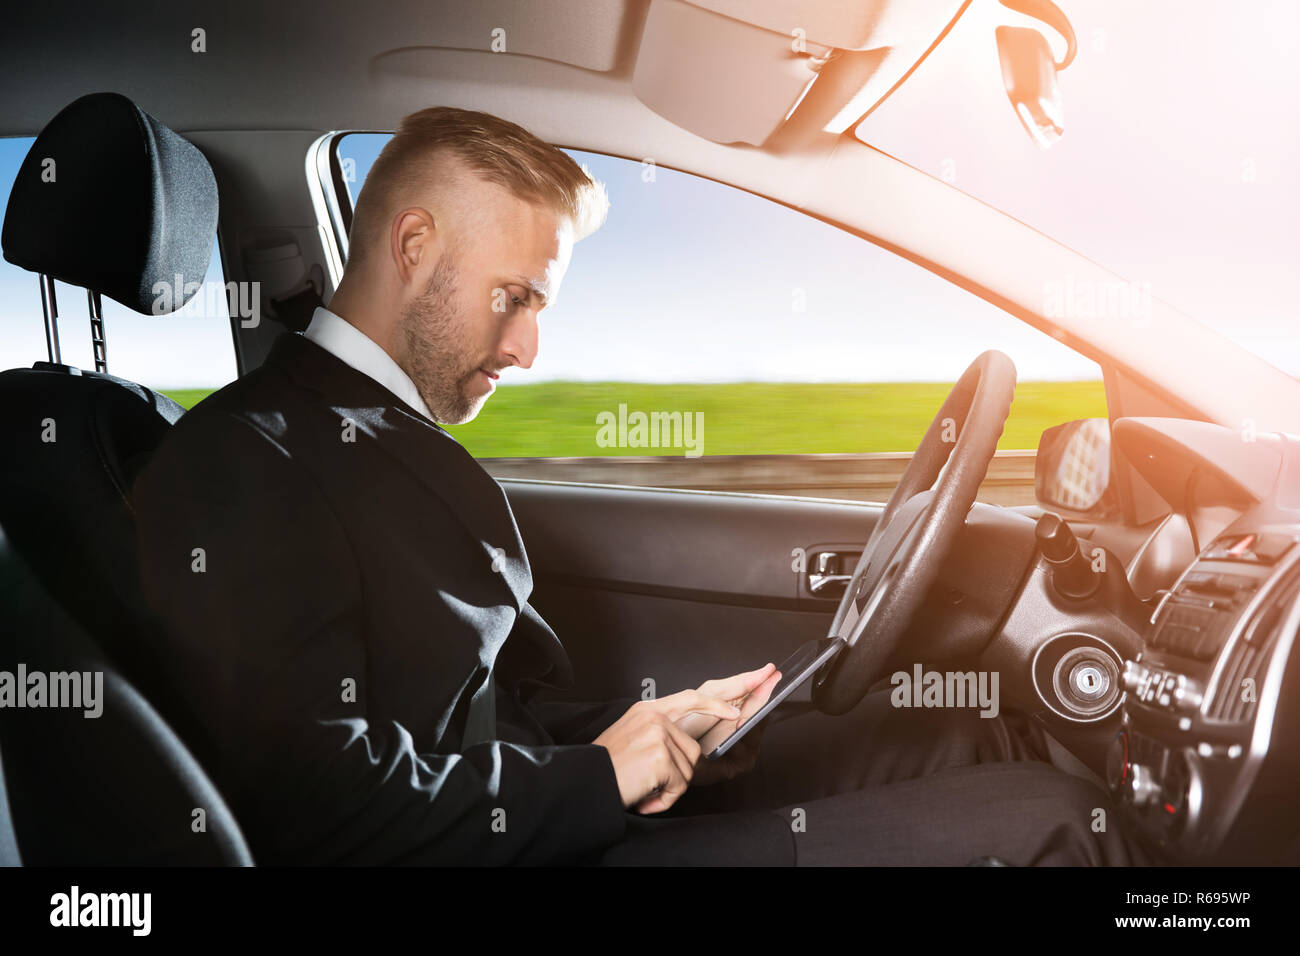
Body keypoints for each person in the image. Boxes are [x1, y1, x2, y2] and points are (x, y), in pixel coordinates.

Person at [132, 106, 1142, 866]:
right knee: (1058, 823)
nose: (528, 348)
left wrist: (662, 724)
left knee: (969, 732)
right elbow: (315, 809)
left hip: (531, 816)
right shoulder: (244, 458)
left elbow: (475, 719)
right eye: (515, 297)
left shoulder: (367, 429)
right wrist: (600, 777)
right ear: (411, 247)